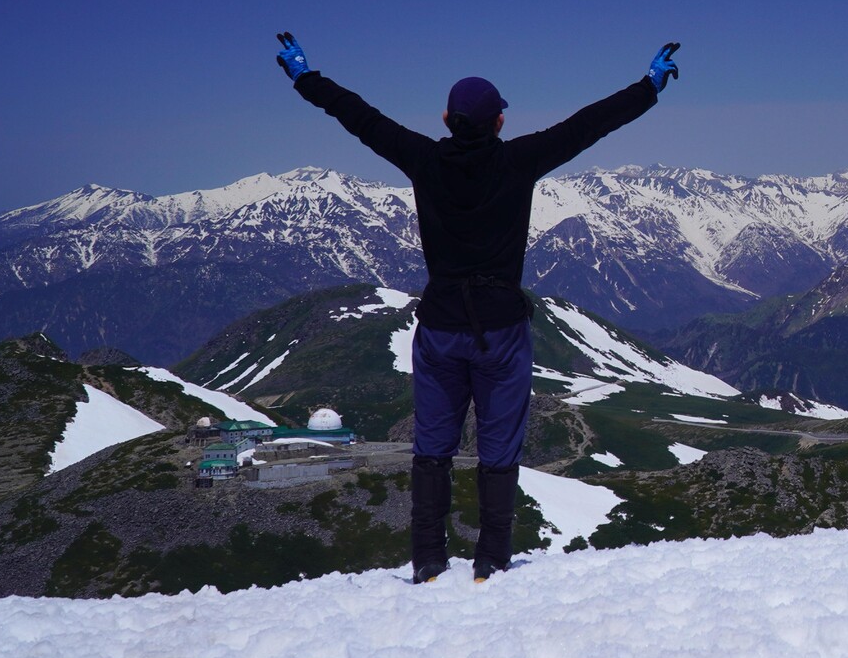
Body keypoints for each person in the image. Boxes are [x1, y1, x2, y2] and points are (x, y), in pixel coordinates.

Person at [274, 32, 678, 583]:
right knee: (499, 447)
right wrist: (648, 86)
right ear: (498, 122)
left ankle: (429, 561)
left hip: (440, 327)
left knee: (432, 448)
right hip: (501, 330)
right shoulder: (518, 162)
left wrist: (305, 78)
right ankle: (489, 561)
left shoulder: (423, 159)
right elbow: (588, 124)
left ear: (447, 119)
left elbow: (360, 118)